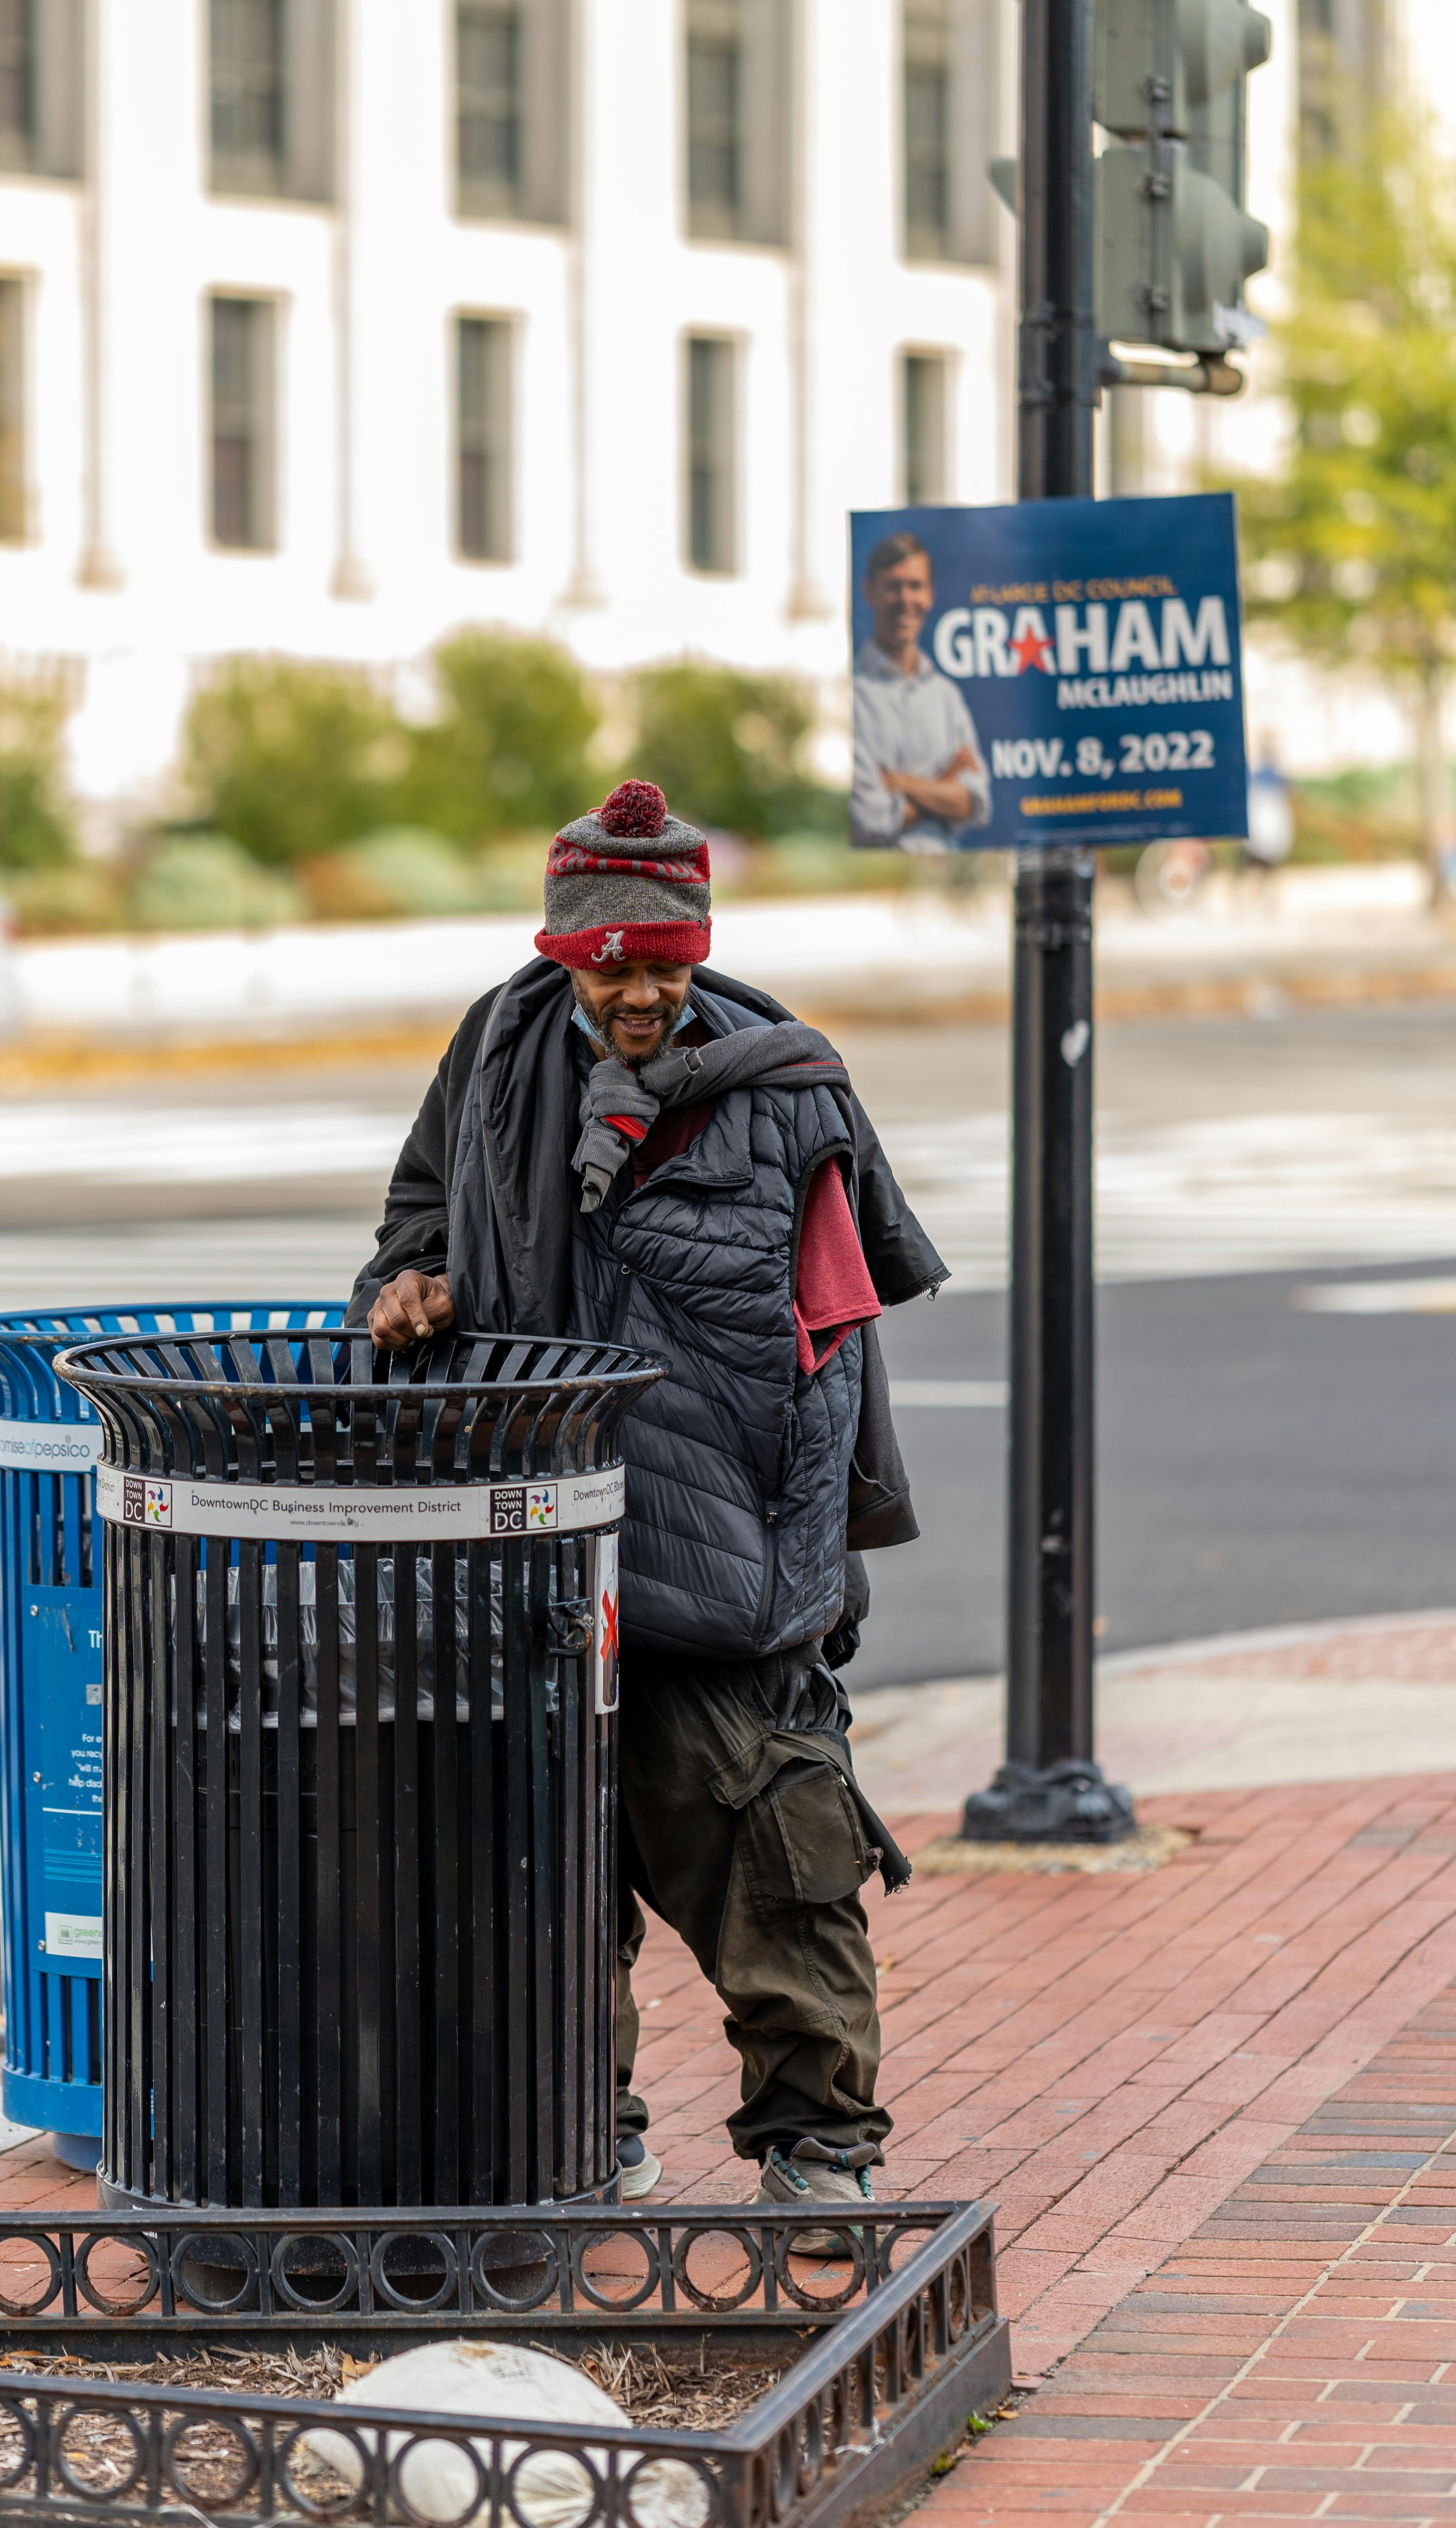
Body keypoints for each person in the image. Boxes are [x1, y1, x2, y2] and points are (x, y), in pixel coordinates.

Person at [351, 779, 944, 2248]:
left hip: (719, 1563)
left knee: (772, 1859)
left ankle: (819, 2158)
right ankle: (576, 2134)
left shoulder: (787, 1088)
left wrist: (812, 1576)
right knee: (529, 1880)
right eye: (606, 962)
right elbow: (417, 1212)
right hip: (525, 1545)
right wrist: (404, 1281)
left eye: (661, 961)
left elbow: (839, 1348)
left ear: (696, 950)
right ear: (562, 954)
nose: (635, 988)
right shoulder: (496, 1046)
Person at [850, 528, 991, 852]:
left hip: (946, 874)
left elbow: (976, 802)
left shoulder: (945, 696)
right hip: (881, 878)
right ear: (868, 591)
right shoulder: (854, 694)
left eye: (915, 586)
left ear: (930, 594)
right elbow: (871, 819)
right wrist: (945, 782)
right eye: (893, 587)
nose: (906, 600)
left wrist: (900, 784)